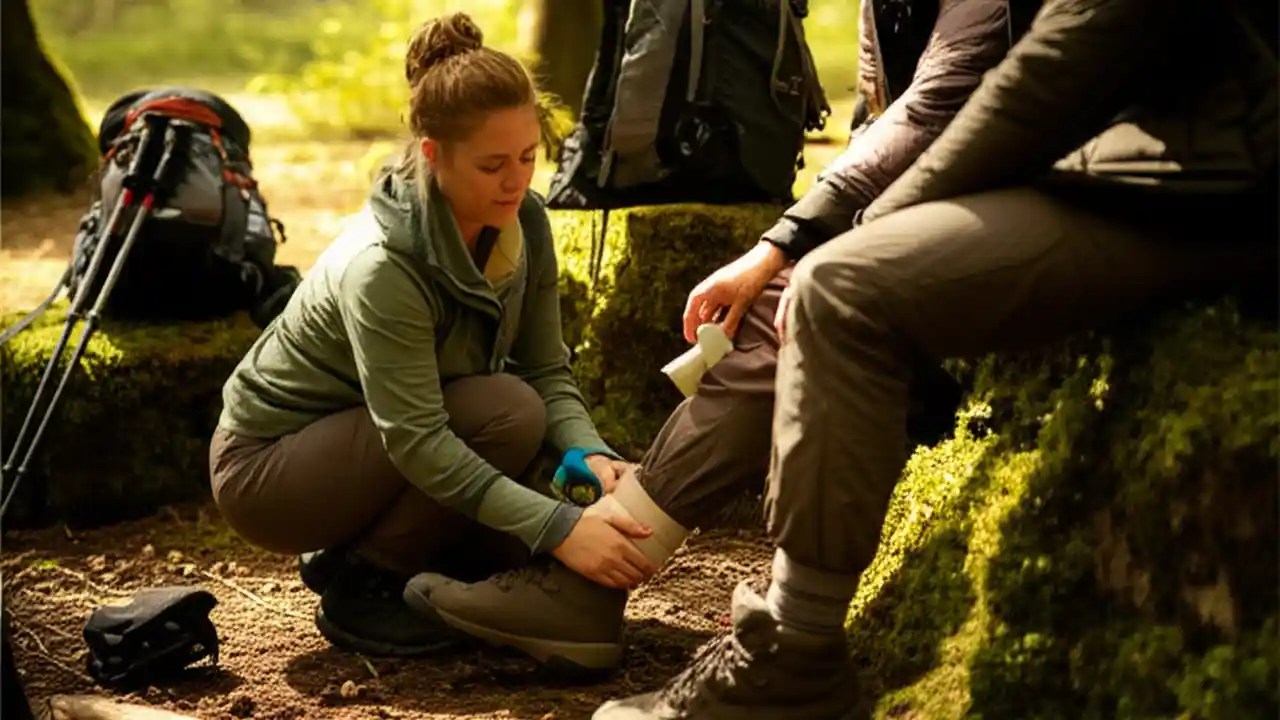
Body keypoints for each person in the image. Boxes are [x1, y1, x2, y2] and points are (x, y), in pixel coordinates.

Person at [589, 0, 1277, 716]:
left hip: (1212, 179)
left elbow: (1044, 74)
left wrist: (857, 234)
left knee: (839, 290)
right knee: (806, 287)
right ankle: (614, 563)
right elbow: (902, 110)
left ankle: (790, 654)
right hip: (1151, 165)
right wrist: (802, 238)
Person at [404, 0, 1031, 672]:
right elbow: (878, 122)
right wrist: (803, 248)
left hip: (1014, 219)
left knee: (802, 308)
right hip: (948, 208)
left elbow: (936, 106)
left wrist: (784, 245)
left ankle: (696, 608)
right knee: (769, 311)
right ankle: (598, 582)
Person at [207, 12, 659, 660]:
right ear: (432, 156)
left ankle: (356, 549)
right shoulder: (384, 266)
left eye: (529, 157)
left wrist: (589, 451)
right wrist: (561, 527)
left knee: (517, 493)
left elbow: (545, 368)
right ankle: (365, 587)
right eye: (493, 164)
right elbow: (419, 441)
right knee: (508, 415)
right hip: (270, 470)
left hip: (375, 439)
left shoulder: (523, 222)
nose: (517, 180)